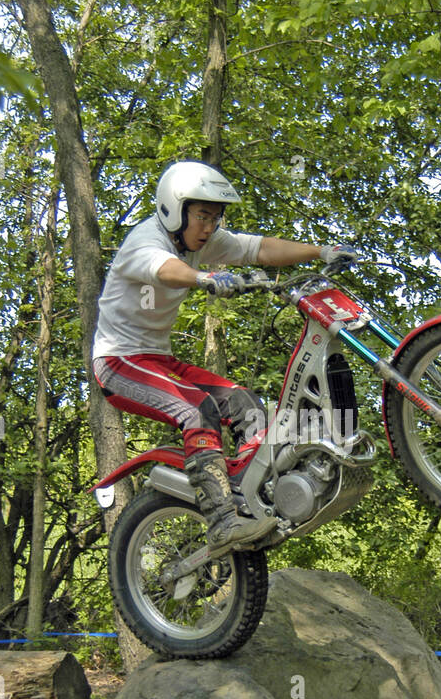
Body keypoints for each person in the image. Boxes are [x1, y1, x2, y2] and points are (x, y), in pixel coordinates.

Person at [92, 160, 355, 553]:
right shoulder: (145, 242)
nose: (210, 227)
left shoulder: (198, 240)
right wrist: (206, 278)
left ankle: (247, 494)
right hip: (119, 363)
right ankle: (221, 520)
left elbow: (260, 248)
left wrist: (320, 251)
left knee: (243, 401)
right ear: (174, 209)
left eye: (215, 218)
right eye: (202, 216)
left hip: (159, 360)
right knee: (196, 411)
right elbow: (164, 270)